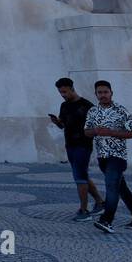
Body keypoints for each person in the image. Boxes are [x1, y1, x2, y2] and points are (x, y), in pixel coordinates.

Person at [84, 81, 132, 234]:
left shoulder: (121, 111)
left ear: (111, 93)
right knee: (122, 189)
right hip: (102, 156)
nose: (103, 95)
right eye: (100, 92)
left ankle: (107, 220)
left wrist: (111, 132)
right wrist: (96, 131)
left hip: (117, 156)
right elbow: (86, 131)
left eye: (105, 92)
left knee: (111, 187)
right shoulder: (93, 111)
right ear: (96, 94)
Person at [48, 78, 102, 220]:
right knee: (82, 175)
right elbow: (63, 125)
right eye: (60, 92)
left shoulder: (86, 105)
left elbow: (96, 126)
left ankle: (84, 211)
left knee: (80, 178)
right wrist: (57, 122)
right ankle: (100, 202)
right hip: (70, 144)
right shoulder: (64, 106)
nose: (63, 95)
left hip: (83, 145)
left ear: (72, 89)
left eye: (65, 92)